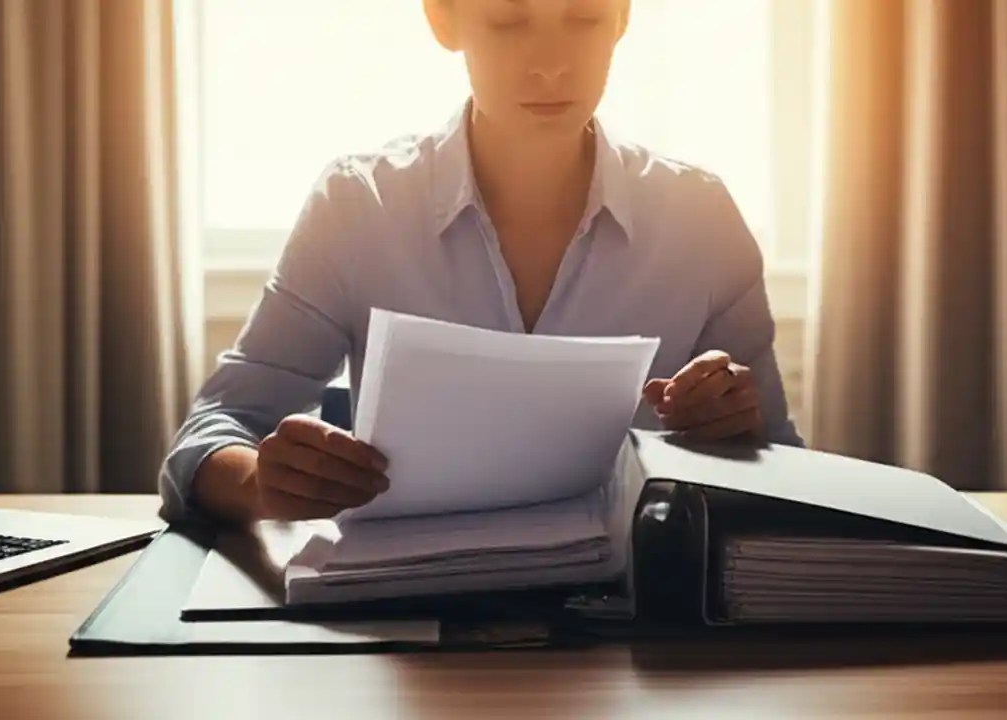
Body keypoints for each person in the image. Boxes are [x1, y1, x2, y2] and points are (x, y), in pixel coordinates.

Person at [159, 0, 803, 525]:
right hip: (407, 636)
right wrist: (263, 485)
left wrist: (736, 436)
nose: (552, 67)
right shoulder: (360, 206)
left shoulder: (701, 216)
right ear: (444, 19)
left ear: (623, 18)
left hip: (634, 643)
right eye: (509, 21)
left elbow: (788, 467)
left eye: (583, 19)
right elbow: (210, 434)